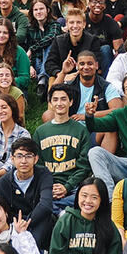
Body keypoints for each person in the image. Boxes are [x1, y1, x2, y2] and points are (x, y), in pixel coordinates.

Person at [33, 85, 92, 214]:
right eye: (55, 100)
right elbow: (38, 165)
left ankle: (57, 211)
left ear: (70, 102)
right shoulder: (40, 132)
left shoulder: (81, 130)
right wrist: (49, 187)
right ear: (50, 103)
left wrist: (67, 187)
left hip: (74, 187)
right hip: (48, 187)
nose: (59, 103)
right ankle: (64, 212)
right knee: (36, 197)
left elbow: (84, 166)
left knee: (85, 198)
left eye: (63, 99)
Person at [0, 138, 55, 247]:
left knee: (45, 221)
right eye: (19, 156)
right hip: (15, 223)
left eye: (28, 156)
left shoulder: (44, 174)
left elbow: (46, 205)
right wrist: (18, 225)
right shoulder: (4, 182)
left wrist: (26, 223)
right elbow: (5, 210)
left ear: (35, 159)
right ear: (12, 159)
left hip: (39, 219)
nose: (23, 161)